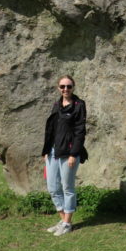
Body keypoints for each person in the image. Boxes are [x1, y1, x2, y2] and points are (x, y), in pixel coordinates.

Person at [41, 75, 86, 236]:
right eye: (62, 86)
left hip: (69, 153)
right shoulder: (56, 105)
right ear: (58, 88)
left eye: (68, 86)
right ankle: (63, 220)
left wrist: (74, 153)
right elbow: (51, 130)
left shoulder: (79, 105)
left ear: (73, 87)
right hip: (53, 152)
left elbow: (80, 131)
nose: (65, 89)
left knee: (68, 188)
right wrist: (46, 150)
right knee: (53, 187)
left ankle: (67, 223)